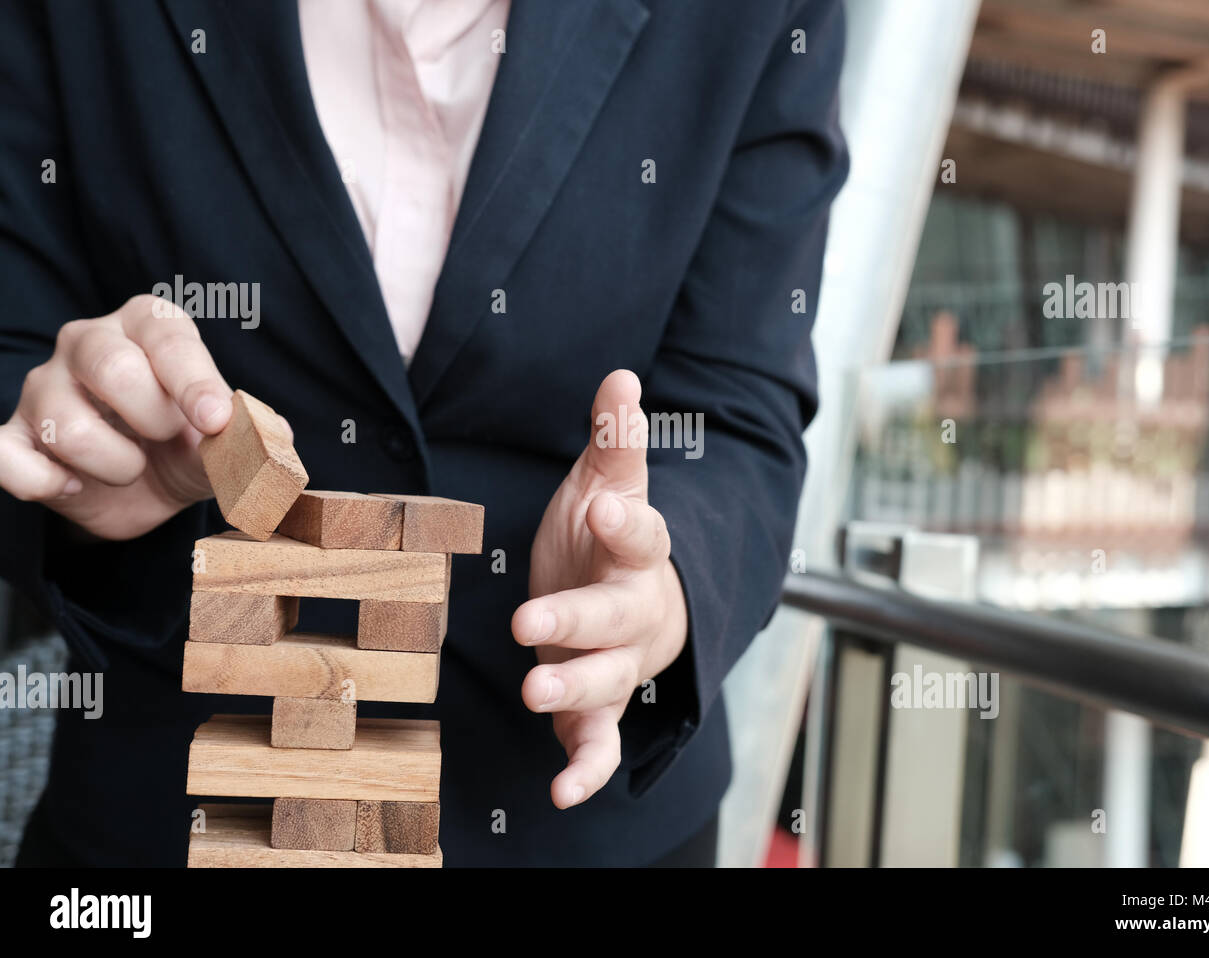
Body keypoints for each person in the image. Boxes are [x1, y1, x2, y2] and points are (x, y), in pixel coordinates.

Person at [0, 0, 848, 866]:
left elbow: (740, 403)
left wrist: (650, 589)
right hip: (165, 810)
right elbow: (15, 346)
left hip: (572, 826)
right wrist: (76, 465)